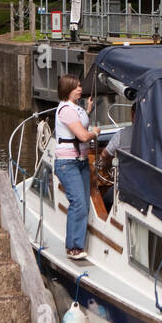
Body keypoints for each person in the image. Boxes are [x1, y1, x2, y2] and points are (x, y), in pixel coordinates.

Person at [54, 74, 100, 260]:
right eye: (75, 87)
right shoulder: (66, 110)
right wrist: (94, 133)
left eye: (80, 86)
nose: (79, 89)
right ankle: (73, 247)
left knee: (83, 204)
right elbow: (82, 136)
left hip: (81, 162)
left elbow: (79, 121)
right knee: (78, 202)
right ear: (67, 90)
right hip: (68, 163)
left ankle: (78, 243)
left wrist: (88, 110)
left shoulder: (77, 109)